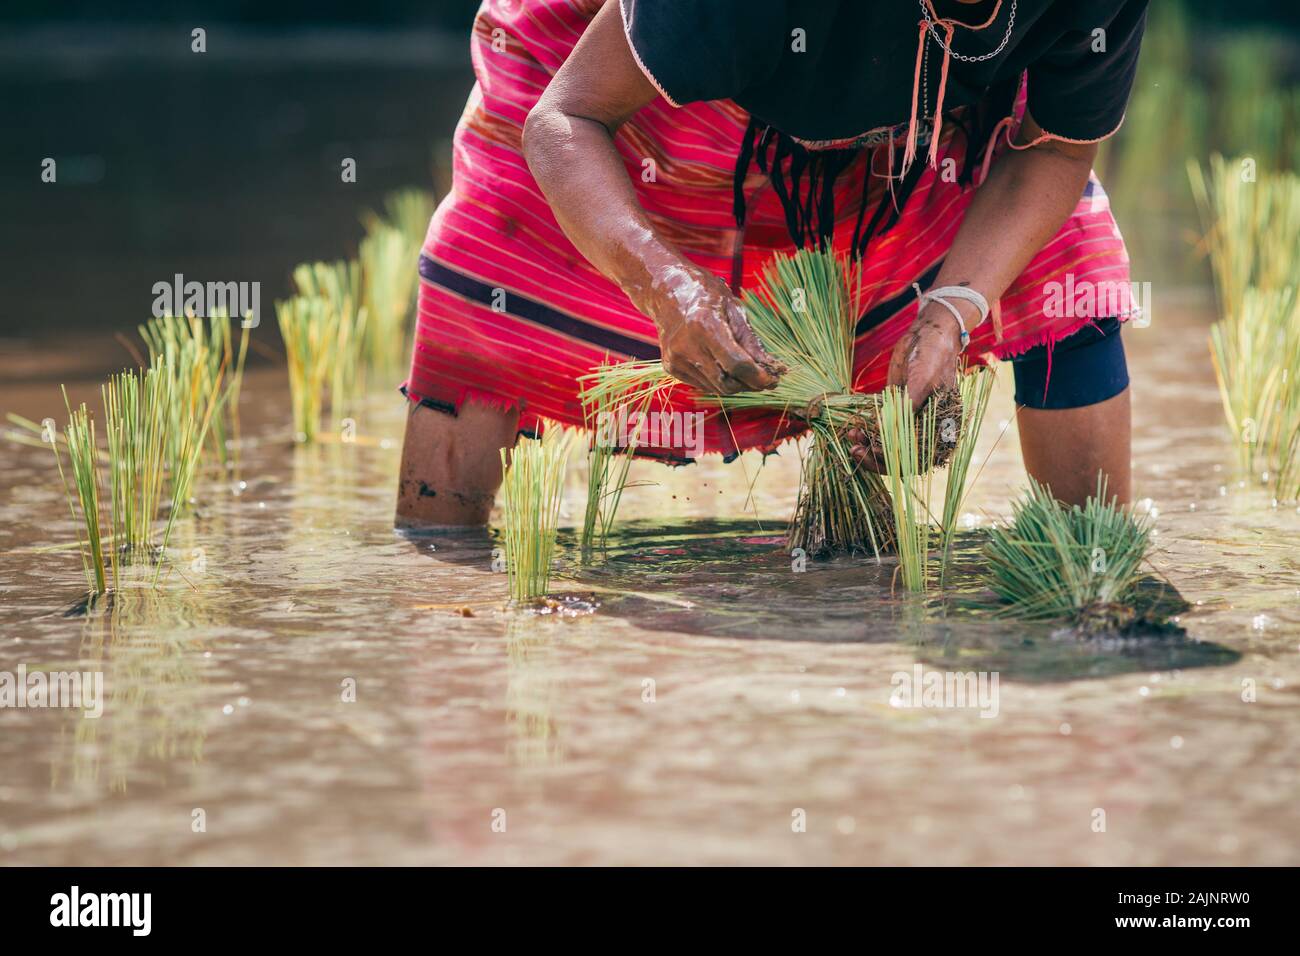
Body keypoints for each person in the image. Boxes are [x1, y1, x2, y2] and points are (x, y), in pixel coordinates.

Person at [396, 0, 1148, 529]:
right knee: (494, 274)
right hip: (641, 97)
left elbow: (1053, 148)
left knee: (1066, 261)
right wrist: (664, 286)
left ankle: (1095, 582)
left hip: (917, 123)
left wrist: (952, 308)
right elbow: (566, 118)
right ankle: (437, 579)